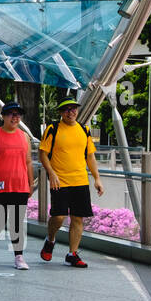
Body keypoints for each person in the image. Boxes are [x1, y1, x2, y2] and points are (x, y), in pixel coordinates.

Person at [38, 98, 104, 267]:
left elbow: (90, 156)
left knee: (77, 218)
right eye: (66, 109)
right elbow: (43, 154)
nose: (71, 112)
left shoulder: (84, 130)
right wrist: (51, 173)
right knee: (59, 216)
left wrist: (97, 178)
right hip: (60, 180)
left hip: (80, 180)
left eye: (73, 108)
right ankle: (50, 239)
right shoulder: (53, 129)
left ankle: (72, 254)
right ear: (61, 112)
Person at [0, 101, 33, 269]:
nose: (15, 117)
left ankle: (19, 257)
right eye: (11, 113)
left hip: (20, 185)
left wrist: (30, 183)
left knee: (16, 222)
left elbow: (29, 161)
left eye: (18, 114)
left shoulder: (24, 136)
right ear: (3, 116)